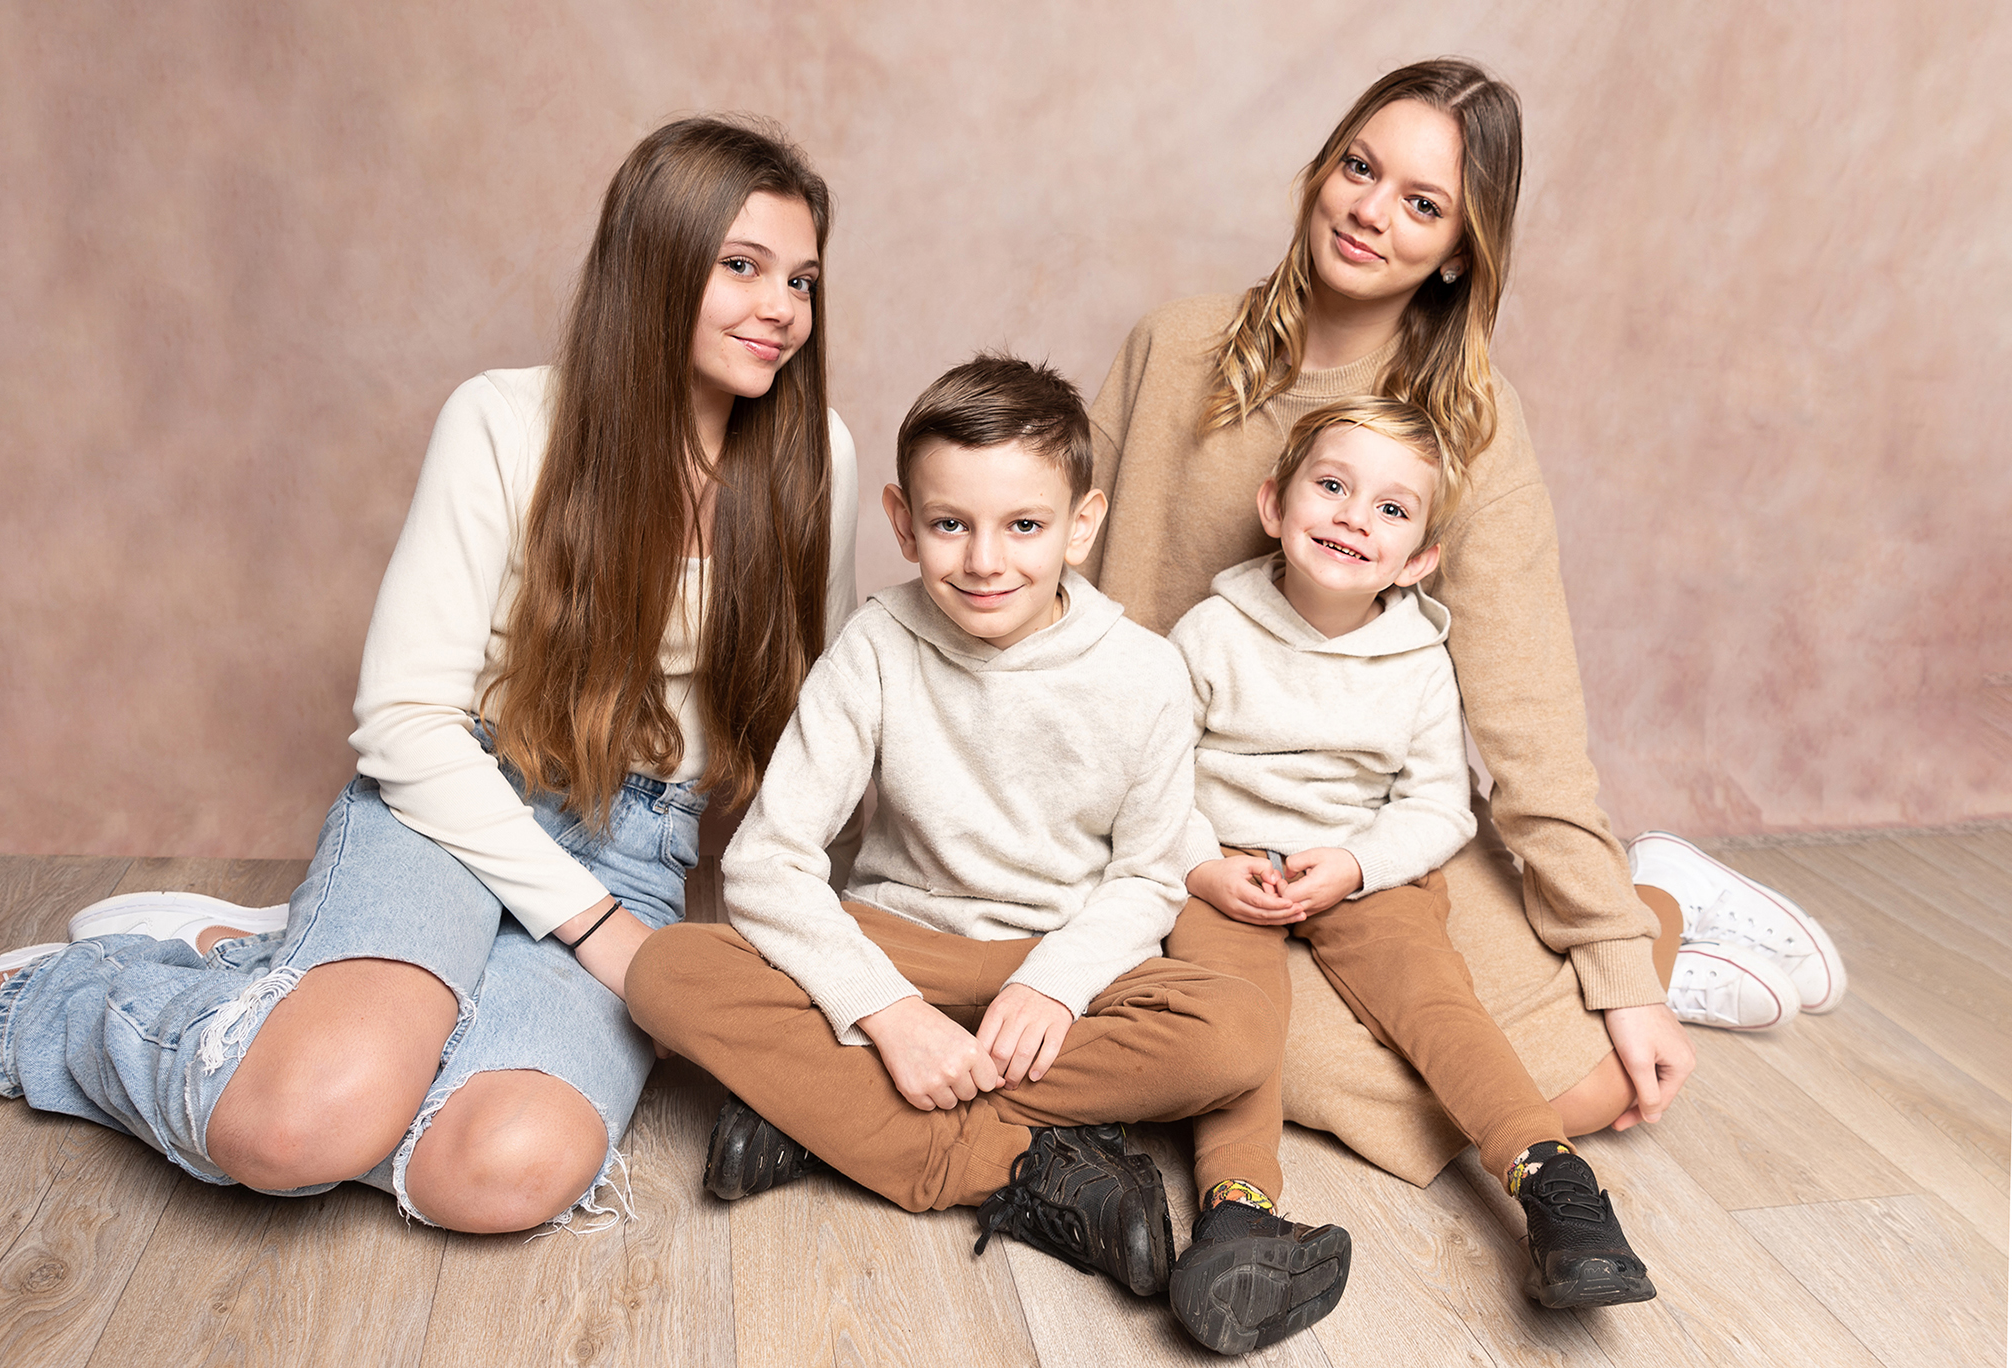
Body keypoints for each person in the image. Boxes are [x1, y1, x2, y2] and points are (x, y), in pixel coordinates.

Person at [0, 116, 860, 1235]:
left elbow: (817, 730)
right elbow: (403, 721)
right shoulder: (502, 420)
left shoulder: (817, 450)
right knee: (298, 1130)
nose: (781, 307)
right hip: (453, 806)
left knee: (496, 1174)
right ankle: (48, 1004)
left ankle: (276, 970)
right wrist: (590, 931)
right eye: (742, 266)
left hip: (642, 850)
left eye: (802, 278)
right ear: (653, 261)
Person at [1081, 58, 1845, 1189]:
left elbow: (1525, 713)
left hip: (1376, 845)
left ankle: (1645, 915)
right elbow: (1064, 563)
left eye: (1421, 205)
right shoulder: (1173, 347)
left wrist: (1618, 978)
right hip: (1179, 832)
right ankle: (1639, 916)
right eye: (1357, 167)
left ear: (1456, 252)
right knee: (1259, 1061)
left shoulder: (1468, 425)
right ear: (1320, 169)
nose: (1369, 211)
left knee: (1589, 1079)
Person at [626, 356, 1332, 1338]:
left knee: (1236, 1032)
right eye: (949, 524)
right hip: (898, 941)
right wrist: (888, 1015)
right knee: (666, 968)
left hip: (1062, 956)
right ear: (902, 521)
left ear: (1080, 526)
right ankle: (1034, 1166)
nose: (983, 560)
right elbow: (765, 861)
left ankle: (832, 1123)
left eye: (1024, 527)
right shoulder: (878, 647)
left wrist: (1054, 983)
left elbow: (1146, 872)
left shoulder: (1143, 673)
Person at [1168, 397, 1654, 1332]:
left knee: (1434, 1001)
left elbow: (1436, 805)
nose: (1355, 516)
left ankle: (1555, 1186)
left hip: (1360, 862)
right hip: (1227, 868)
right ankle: (1237, 1213)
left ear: (1421, 557)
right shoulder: (1211, 633)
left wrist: (1353, 865)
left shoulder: (1420, 659)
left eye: (1393, 509)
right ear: (1274, 503)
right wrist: (1202, 868)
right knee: (1236, 1019)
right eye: (1333, 486)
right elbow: (1152, 780)